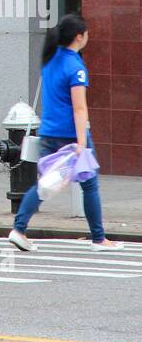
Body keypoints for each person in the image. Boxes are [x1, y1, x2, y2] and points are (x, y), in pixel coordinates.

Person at [9, 13, 121, 252]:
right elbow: (79, 108)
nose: (88, 37)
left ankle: (19, 229)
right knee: (90, 186)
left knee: (43, 184)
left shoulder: (50, 58)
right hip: (71, 134)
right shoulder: (75, 66)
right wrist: (82, 142)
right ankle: (99, 238)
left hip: (49, 131)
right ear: (79, 37)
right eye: (87, 33)